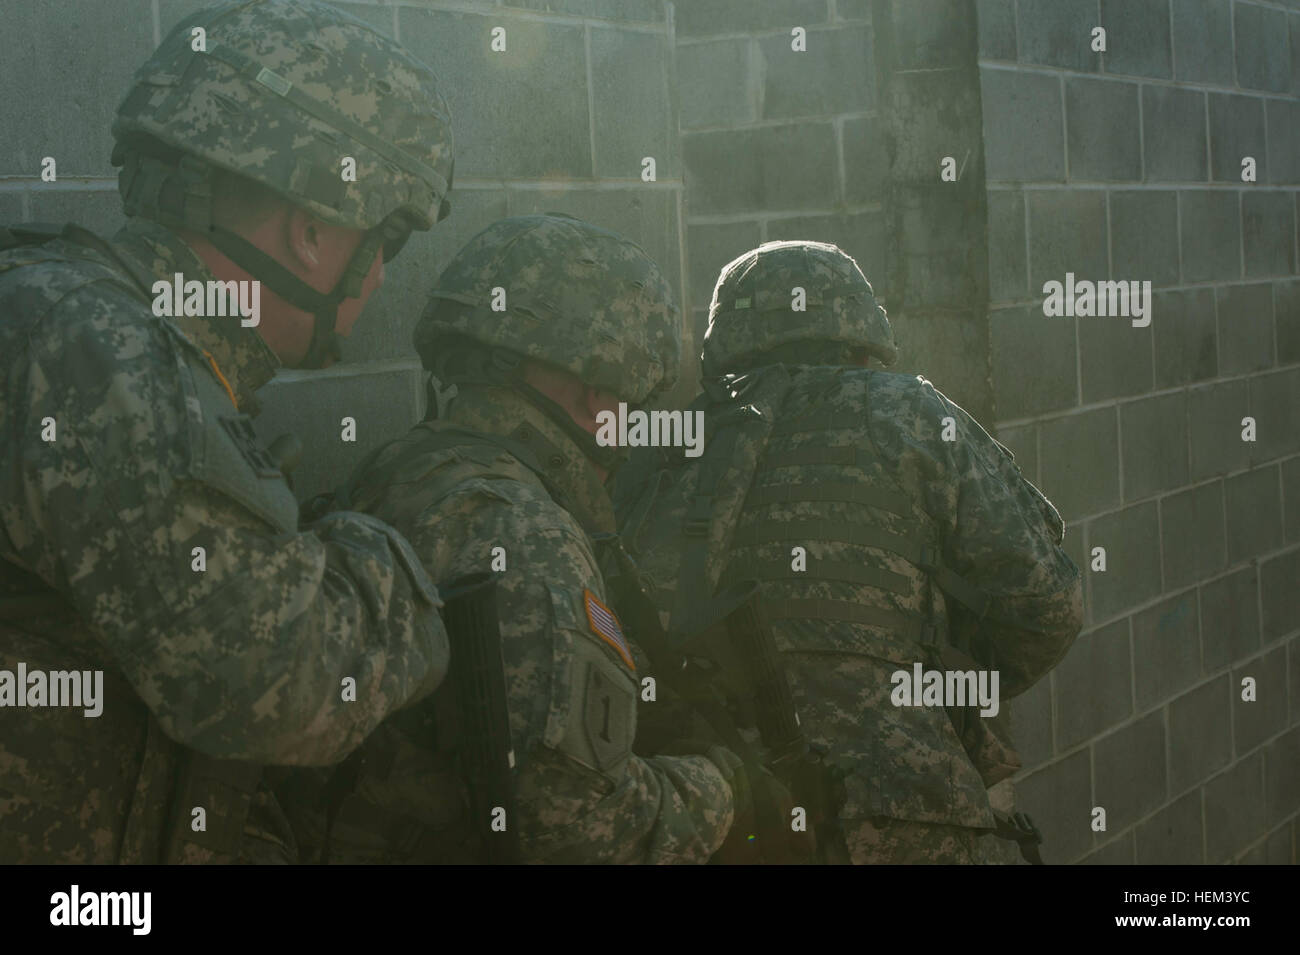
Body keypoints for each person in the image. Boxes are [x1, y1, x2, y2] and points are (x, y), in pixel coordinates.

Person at [0, 0, 456, 863]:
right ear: (315, 232)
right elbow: (274, 684)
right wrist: (387, 563)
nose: (385, 272)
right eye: (386, 236)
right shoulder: (108, 350)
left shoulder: (83, 320)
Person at [277, 214, 753, 864]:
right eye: (634, 400)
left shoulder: (395, 471)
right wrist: (724, 789)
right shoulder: (525, 527)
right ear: (596, 391)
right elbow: (582, 830)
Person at [614, 240, 1084, 863]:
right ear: (864, 332)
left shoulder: (675, 444)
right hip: (907, 807)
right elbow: (1047, 607)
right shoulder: (908, 412)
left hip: (730, 817)